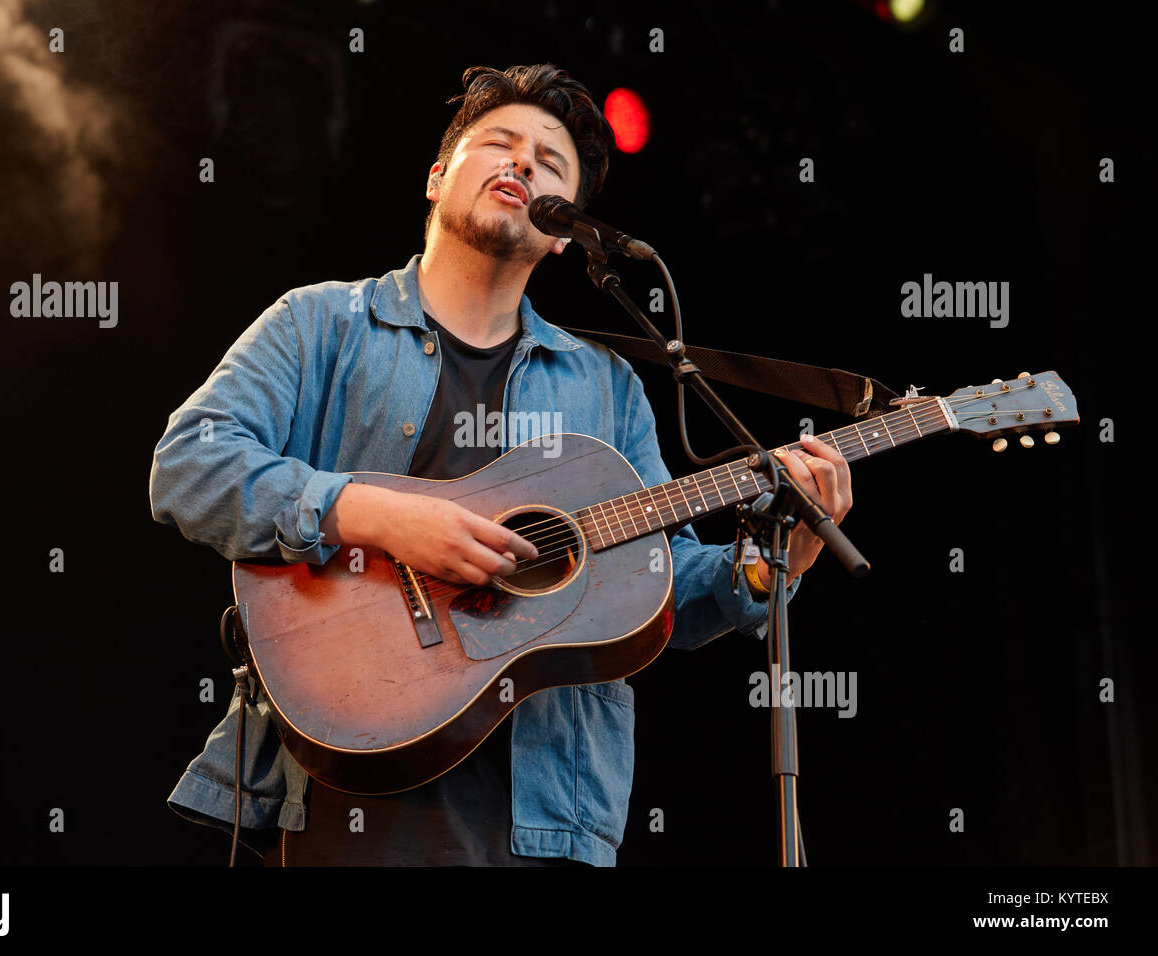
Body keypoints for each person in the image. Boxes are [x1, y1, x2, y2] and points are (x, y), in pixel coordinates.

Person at [149, 63, 852, 867]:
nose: (523, 164)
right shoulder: (321, 326)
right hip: (341, 793)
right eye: (500, 145)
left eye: (551, 165)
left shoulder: (607, 385)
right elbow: (188, 464)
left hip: (546, 821)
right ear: (437, 175)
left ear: (563, 231)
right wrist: (380, 517)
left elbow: (665, 592)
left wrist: (771, 567)